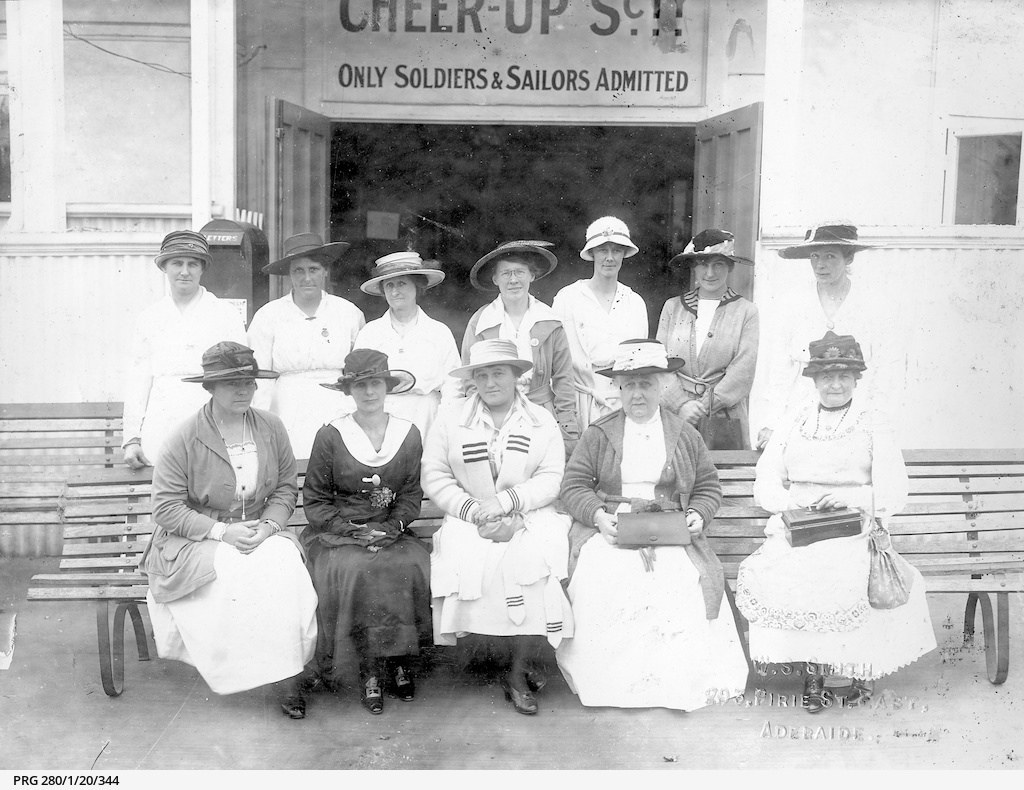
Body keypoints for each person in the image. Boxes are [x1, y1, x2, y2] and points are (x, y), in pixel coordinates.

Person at [735, 332, 935, 712]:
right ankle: (813, 672)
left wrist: (855, 499)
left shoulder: (873, 421)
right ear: (813, 379)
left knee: (839, 569)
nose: (835, 384)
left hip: (855, 524)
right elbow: (767, 476)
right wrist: (792, 502)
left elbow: (893, 487)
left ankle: (850, 669)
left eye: (844, 375)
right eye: (826, 376)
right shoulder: (795, 420)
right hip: (801, 523)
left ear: (857, 379)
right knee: (780, 566)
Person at [556, 339, 750, 710]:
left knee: (680, 579)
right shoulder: (599, 433)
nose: (638, 394)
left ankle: (671, 682)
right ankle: (614, 684)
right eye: (629, 385)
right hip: (612, 526)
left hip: (670, 527)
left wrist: (697, 514)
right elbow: (574, 485)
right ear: (618, 388)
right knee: (601, 575)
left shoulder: (684, 434)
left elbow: (708, 487)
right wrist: (598, 515)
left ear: (663, 385)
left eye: (646, 383)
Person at [140, 341, 318, 719]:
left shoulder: (270, 426)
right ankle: (247, 673)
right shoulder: (184, 437)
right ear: (210, 387)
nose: (243, 390)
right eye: (230, 382)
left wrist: (270, 526)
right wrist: (222, 532)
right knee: (238, 571)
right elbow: (166, 508)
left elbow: (286, 486)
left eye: (249, 381)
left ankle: (287, 674)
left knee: (284, 563)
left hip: (258, 529)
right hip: (197, 539)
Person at [422, 339, 574, 716]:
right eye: (482, 375)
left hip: (528, 513)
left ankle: (519, 670)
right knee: (470, 555)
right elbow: (436, 476)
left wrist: (509, 507)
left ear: (516, 376)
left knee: (530, 558)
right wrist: (476, 510)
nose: (491, 383)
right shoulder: (451, 419)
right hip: (467, 515)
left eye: (499, 373)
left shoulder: (541, 419)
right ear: (473, 380)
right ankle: (491, 659)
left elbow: (552, 476)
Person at [300, 349, 431, 715]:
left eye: (375, 383)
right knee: (359, 569)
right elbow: (316, 499)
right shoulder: (331, 435)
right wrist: (351, 531)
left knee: (412, 564)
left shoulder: (407, 433)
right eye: (360, 385)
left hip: (390, 532)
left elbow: (409, 495)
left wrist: (391, 528)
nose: (369, 392)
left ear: (387, 387)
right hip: (338, 533)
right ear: (349, 391)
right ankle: (370, 667)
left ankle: (400, 660)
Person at [754, 223, 894, 450]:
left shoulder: (874, 304)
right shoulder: (792, 304)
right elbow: (779, 370)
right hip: (802, 405)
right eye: (815, 256)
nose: (820, 265)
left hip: (856, 404)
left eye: (830, 256)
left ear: (848, 259)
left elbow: (886, 370)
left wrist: (877, 423)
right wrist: (771, 422)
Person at [123, 230, 246, 469]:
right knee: (166, 494)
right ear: (164, 267)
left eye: (193, 264)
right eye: (177, 263)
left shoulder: (225, 315)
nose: (185, 271)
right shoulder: (150, 317)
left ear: (202, 268)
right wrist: (131, 438)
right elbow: (138, 380)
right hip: (162, 418)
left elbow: (240, 378)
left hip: (212, 417)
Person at [247, 233, 365, 460]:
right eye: (298, 271)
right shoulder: (269, 316)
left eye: (313, 269)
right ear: (289, 274)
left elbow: (359, 371)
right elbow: (260, 376)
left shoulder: (348, 313)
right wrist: (263, 421)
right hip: (288, 408)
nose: (306, 278)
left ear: (325, 271)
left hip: (337, 405)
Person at [462, 240, 579, 455]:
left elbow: (563, 378)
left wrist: (568, 430)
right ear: (495, 278)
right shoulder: (480, 322)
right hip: (494, 416)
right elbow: (470, 379)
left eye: (520, 272)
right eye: (506, 273)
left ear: (532, 275)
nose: (513, 280)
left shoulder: (550, 321)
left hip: (541, 414)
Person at [657, 229, 759, 449]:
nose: (710, 272)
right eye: (703, 264)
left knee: (725, 478)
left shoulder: (746, 312)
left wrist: (705, 404)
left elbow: (743, 371)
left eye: (718, 264)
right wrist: (681, 405)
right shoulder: (673, 307)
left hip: (724, 417)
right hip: (677, 415)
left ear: (730, 267)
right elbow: (659, 364)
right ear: (694, 266)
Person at [553, 216, 648, 429]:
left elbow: (641, 363)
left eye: (616, 250)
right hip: (580, 405)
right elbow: (555, 362)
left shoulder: (634, 302)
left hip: (624, 405)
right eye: (603, 250)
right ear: (592, 253)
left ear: (624, 254)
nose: (610, 258)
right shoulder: (567, 298)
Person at [354, 251, 460, 437]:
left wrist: (444, 425)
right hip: (383, 419)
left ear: (417, 286)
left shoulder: (438, 332)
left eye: (402, 283)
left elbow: (453, 384)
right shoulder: (370, 333)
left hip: (428, 418)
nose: (395, 292)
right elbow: (357, 382)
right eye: (389, 286)